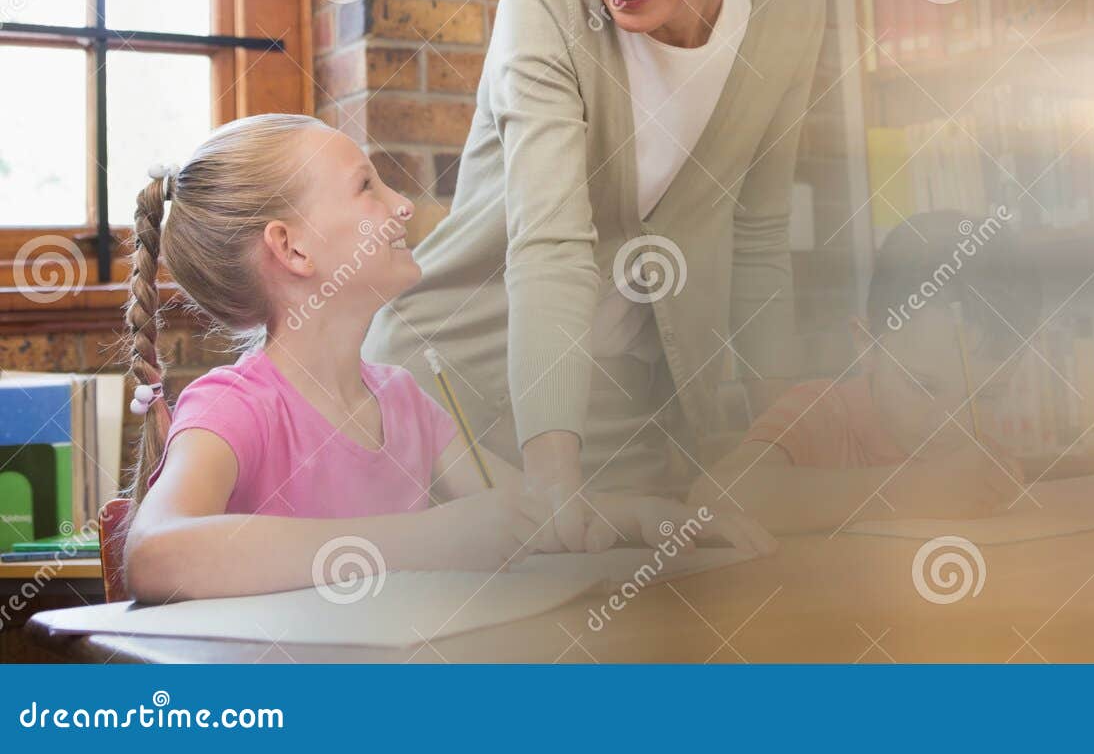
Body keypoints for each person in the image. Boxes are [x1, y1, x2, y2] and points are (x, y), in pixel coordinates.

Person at [363, 0, 825, 553]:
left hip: (634, 409)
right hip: (459, 398)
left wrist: (777, 446)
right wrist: (552, 486)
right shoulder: (546, 4)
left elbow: (757, 235)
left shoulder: (791, 4)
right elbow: (551, 247)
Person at [121, 114, 765, 603]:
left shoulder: (406, 399)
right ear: (291, 249)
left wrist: (648, 518)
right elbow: (153, 555)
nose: (402, 205)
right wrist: (423, 541)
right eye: (366, 187)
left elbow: (531, 513)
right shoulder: (236, 407)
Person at [691, 211, 1041, 532]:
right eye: (923, 385)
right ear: (867, 346)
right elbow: (712, 500)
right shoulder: (822, 413)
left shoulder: (979, 455)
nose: (953, 422)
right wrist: (915, 490)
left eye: (987, 395)